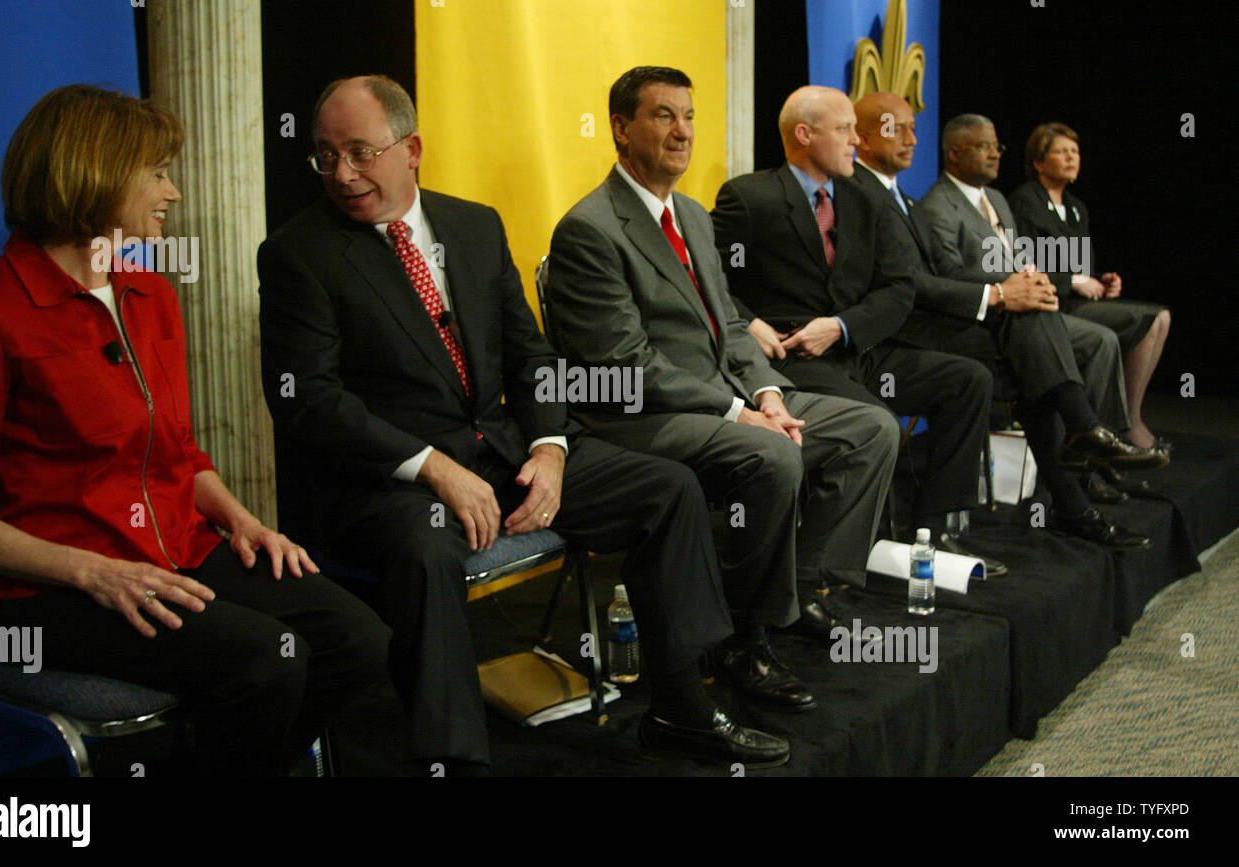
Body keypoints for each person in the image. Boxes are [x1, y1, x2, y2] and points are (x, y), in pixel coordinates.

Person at [257, 74, 788, 773]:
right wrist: (435, 469)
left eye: (360, 152)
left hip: (500, 451)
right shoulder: (300, 252)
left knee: (666, 487)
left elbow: (534, 357)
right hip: (386, 481)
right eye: (325, 156)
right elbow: (309, 403)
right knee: (428, 546)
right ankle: (451, 758)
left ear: (411, 148)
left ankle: (680, 706)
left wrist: (550, 446)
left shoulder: (474, 225)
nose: (342, 173)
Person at [0, 84, 383, 776]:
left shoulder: (152, 295)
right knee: (262, 658)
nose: (172, 192)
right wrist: (95, 571)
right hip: (57, 594)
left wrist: (243, 521)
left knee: (354, 637)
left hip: (177, 550)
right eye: (157, 172)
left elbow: (179, 450)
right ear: (96, 174)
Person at [546, 67, 899, 693]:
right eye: (663, 116)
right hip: (638, 420)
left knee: (871, 428)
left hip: (727, 399)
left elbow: (730, 326)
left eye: (688, 116)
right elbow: (624, 366)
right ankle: (746, 641)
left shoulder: (691, 214)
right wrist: (741, 414)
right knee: (770, 454)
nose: (682, 131)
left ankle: (793, 592)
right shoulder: (591, 230)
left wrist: (765, 391)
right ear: (620, 129)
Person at [712, 85, 1005, 575]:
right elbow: (709, 280)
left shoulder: (866, 199)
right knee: (874, 424)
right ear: (804, 135)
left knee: (967, 380)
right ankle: (819, 575)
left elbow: (898, 288)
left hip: (860, 350)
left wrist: (843, 326)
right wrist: (750, 321)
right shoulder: (750, 196)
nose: (856, 140)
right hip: (795, 361)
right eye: (845, 129)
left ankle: (928, 533)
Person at [850, 92, 1154, 547]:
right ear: (862, 136)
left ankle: (1079, 477)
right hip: (898, 337)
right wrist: (998, 293)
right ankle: (1082, 455)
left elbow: (936, 276)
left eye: (914, 128)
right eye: (899, 128)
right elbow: (913, 284)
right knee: (1032, 350)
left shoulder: (904, 200)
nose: (913, 139)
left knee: (1035, 343)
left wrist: (1023, 286)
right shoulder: (865, 194)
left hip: (937, 321)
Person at [919, 114, 1134, 443]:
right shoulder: (937, 206)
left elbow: (1018, 257)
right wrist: (1011, 289)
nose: (994, 154)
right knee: (1052, 340)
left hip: (1023, 309)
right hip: (983, 321)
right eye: (983, 147)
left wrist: (1036, 279)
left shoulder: (998, 199)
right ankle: (1083, 441)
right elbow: (951, 275)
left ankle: (1108, 445)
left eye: (997, 147)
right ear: (955, 154)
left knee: (1100, 341)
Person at [1009, 122, 1171, 451]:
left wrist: (1103, 283)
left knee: (1161, 317)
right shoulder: (1025, 203)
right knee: (1151, 319)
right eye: (1061, 152)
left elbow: (1083, 269)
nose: (1071, 158)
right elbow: (1022, 265)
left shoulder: (1076, 208)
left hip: (1077, 300)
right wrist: (1075, 282)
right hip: (1051, 304)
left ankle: (1130, 417)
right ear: (1039, 162)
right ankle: (1121, 426)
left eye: (1075, 152)